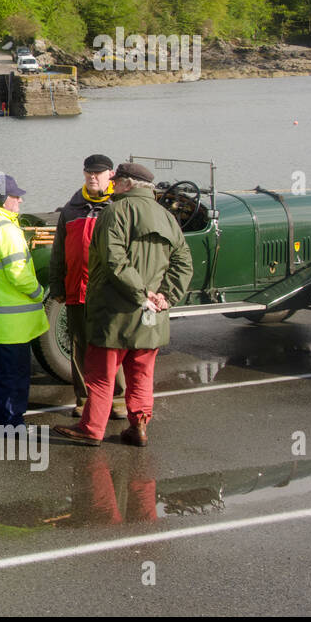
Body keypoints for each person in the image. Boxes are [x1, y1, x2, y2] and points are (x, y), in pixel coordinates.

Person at [55, 162, 193, 447]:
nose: (112, 185)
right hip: (151, 316)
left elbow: (114, 260)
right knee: (142, 374)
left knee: (102, 375)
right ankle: (139, 427)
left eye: (116, 182)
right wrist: (165, 296)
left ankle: (92, 429)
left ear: (128, 184)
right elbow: (183, 262)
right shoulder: (166, 216)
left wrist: (141, 294)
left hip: (113, 313)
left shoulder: (114, 212)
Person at [49, 153, 127, 419]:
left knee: (110, 346)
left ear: (110, 175)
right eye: (88, 173)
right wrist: (57, 285)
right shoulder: (71, 208)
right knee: (79, 347)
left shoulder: (120, 207)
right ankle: (84, 399)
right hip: (76, 289)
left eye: (98, 173)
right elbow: (59, 250)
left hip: (110, 293)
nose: (92, 177)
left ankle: (117, 400)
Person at [0, 173, 49, 426]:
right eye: (16, 196)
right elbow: (18, 274)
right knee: (13, 374)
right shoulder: (6, 230)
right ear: (4, 200)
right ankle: (11, 422)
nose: (20, 201)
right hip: (13, 321)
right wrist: (38, 292)